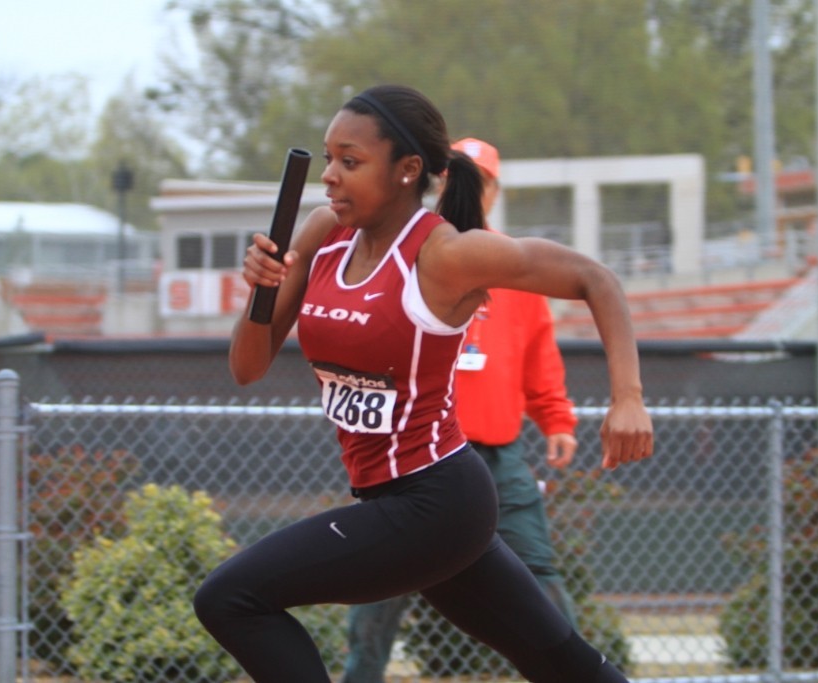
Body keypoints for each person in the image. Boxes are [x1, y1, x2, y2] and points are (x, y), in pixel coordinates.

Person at [193, 84, 653, 683]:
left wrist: (628, 399)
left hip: (435, 502)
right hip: (406, 504)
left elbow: (596, 278)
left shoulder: (446, 256)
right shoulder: (321, 234)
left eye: (350, 162)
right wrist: (263, 289)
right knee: (559, 662)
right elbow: (247, 367)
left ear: (408, 170)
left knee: (230, 598)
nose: (330, 176)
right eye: (329, 158)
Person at [341, 137, 581, 683]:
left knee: (537, 574)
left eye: (482, 178)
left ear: (493, 190)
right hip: (416, 460)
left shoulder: (515, 265)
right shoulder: (408, 250)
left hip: (498, 456)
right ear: (437, 182)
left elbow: (538, 353)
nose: (468, 187)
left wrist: (556, 418)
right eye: (454, 176)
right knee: (381, 585)